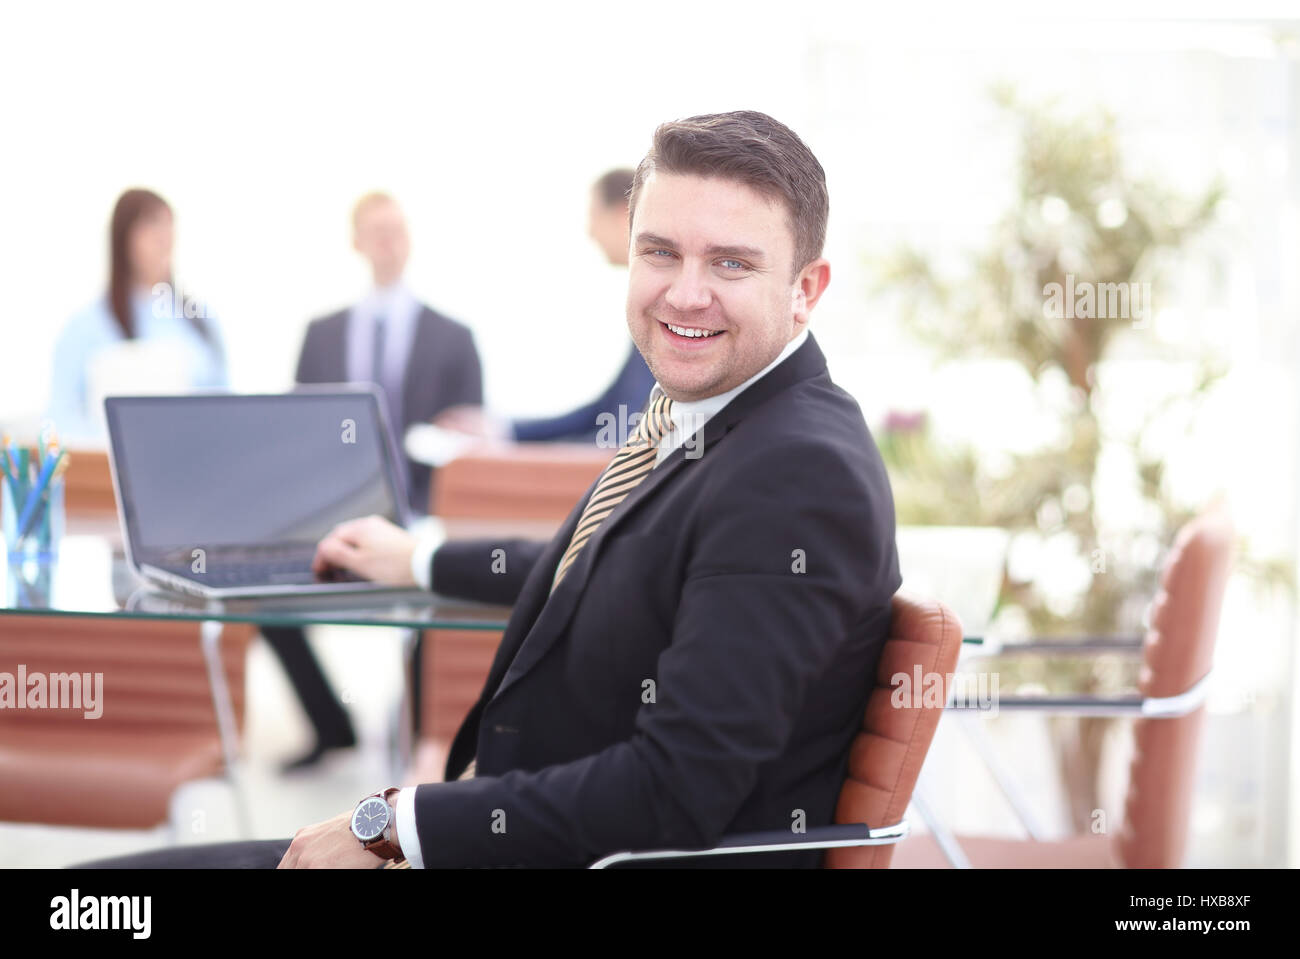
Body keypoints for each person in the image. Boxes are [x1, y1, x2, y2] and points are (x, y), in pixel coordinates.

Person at [81, 110, 901, 869]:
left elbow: (674, 790)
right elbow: (601, 570)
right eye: (659, 251)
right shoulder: (720, 415)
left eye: (730, 262)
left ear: (807, 290)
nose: (685, 292)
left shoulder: (797, 474)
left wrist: (393, 824)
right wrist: (422, 558)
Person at [260, 192, 484, 771]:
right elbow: (295, 432)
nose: (387, 242)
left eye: (396, 230)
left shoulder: (454, 335)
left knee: (437, 596)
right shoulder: (322, 332)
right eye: (375, 231)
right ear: (356, 242)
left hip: (424, 512)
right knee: (260, 594)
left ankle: (413, 736)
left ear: (408, 240)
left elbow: (470, 444)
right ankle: (331, 724)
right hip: (331, 513)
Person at [434, 169, 654, 444]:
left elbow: (621, 435)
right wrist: (503, 430)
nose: (589, 232)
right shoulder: (643, 305)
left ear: (623, 216)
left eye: (593, 216)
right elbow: (604, 413)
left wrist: (539, 461)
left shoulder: (658, 307)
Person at [49, 189, 227, 442]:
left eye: (168, 224)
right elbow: (62, 417)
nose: (163, 237)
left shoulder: (200, 320)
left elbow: (223, 403)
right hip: (110, 468)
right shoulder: (86, 326)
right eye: (150, 224)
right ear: (123, 238)